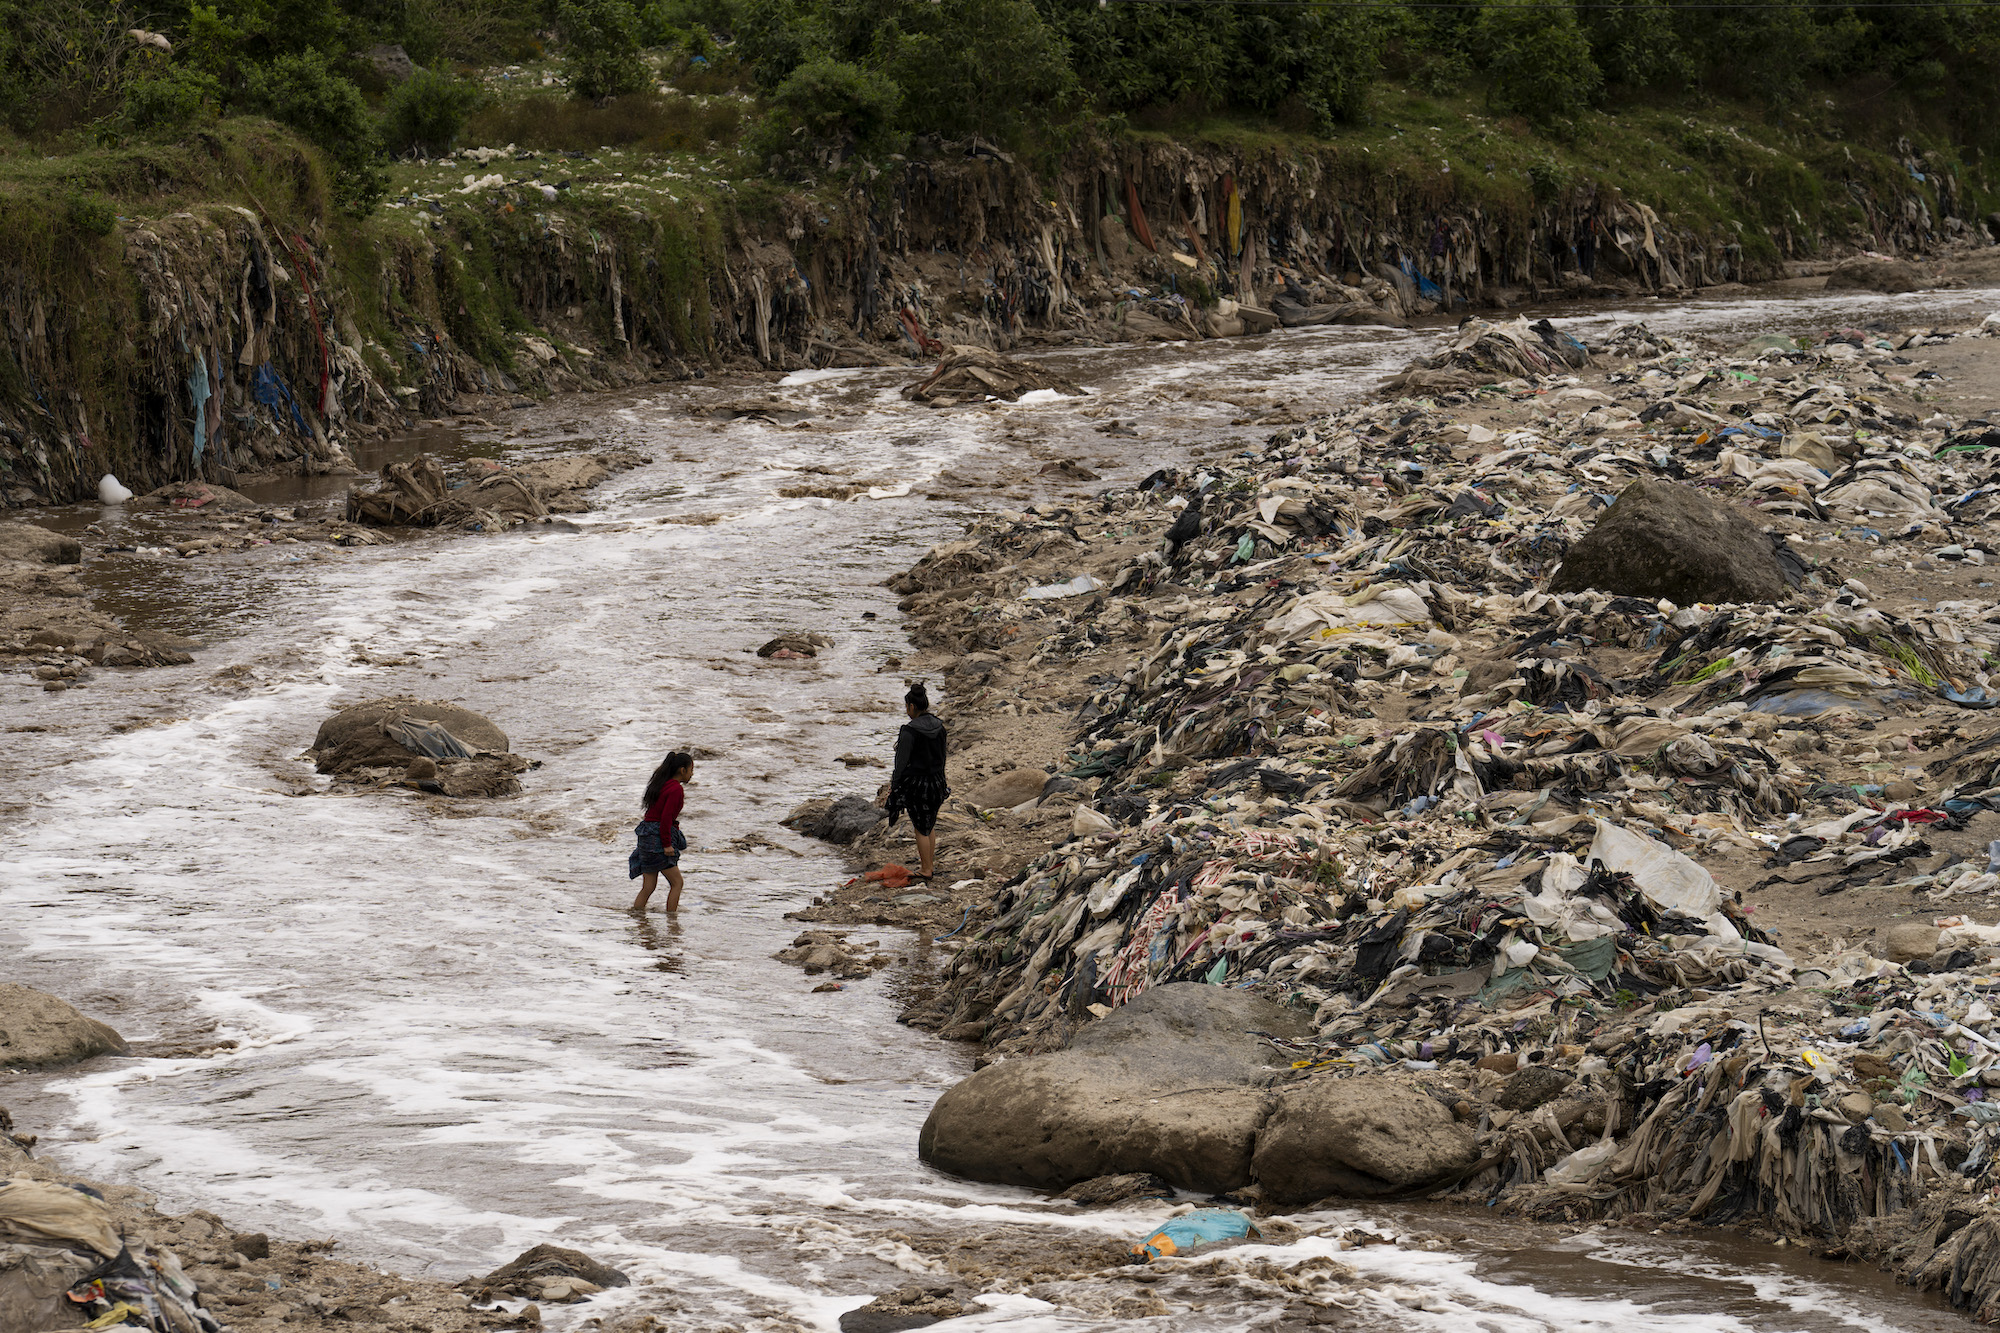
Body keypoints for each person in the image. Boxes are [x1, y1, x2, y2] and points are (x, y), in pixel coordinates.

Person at [885, 683, 949, 880]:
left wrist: (895, 786)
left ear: (912, 706)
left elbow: (901, 763)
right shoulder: (939, 726)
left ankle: (926, 870)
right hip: (937, 782)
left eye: (907, 707)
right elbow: (943, 756)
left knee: (920, 827)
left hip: (917, 784)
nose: (906, 711)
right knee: (929, 824)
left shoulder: (909, 731)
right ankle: (929, 865)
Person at [630, 751, 693, 913]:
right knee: (677, 883)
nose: (692, 774)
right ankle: (672, 920)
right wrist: (667, 845)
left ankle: (637, 917)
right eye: (691, 769)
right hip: (658, 839)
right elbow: (665, 818)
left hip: (645, 836)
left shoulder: (660, 784)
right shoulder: (675, 789)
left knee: (648, 886)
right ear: (682, 770)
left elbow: (653, 816)